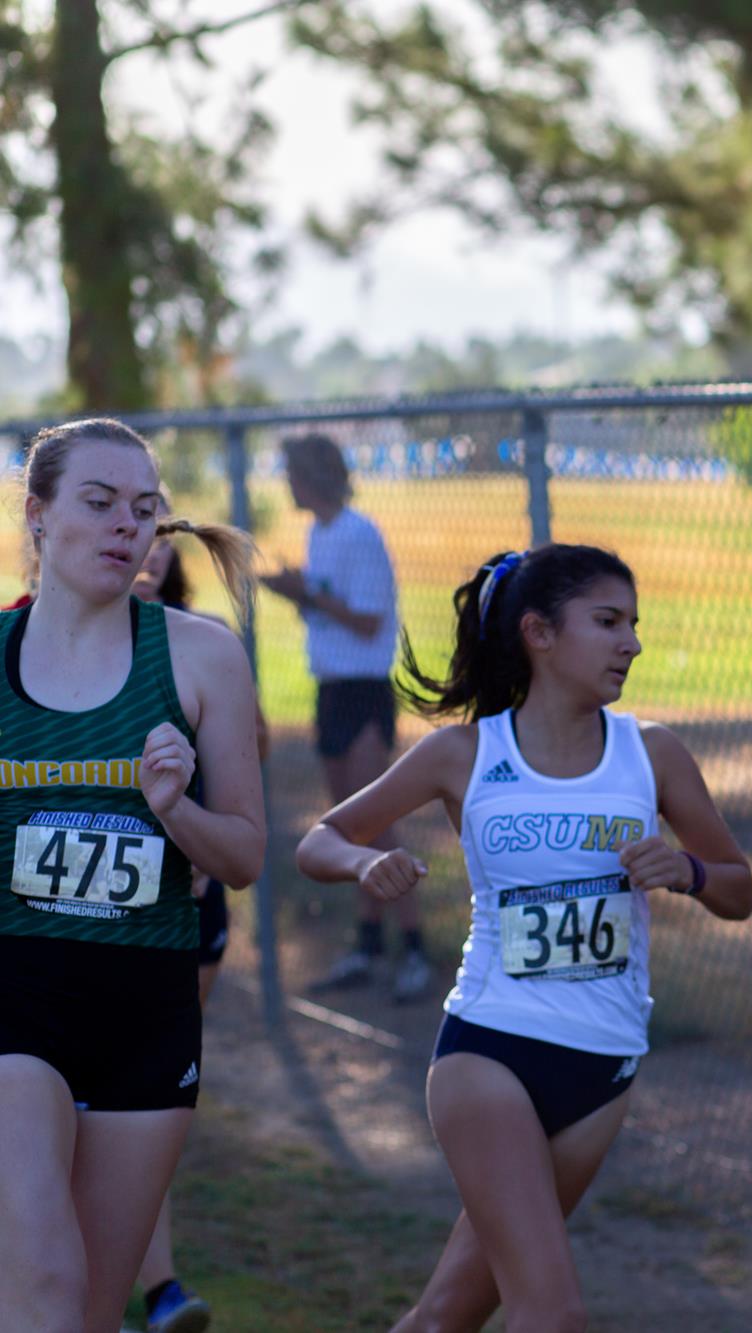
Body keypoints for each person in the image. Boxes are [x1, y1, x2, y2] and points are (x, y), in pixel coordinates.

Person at [296, 543, 752, 1331]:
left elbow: (740, 888)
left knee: (447, 1314)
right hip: (490, 1048)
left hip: (604, 1064)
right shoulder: (467, 752)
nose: (632, 643)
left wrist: (686, 868)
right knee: (553, 1311)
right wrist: (365, 863)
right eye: (608, 622)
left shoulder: (654, 753)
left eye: (634, 624)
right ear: (539, 632)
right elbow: (320, 839)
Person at [0, 418, 264, 1332]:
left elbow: (244, 854)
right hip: (13, 991)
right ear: (37, 516)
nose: (128, 527)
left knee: (93, 1313)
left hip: (147, 1005)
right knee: (39, 1281)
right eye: (100, 503)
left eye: (145, 510)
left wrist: (175, 812)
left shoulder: (200, 657)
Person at [130, 533, 272, 1333]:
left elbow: (253, 749)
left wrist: (199, 833)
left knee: (140, 1095)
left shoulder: (202, 648)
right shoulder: (25, 642)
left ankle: (158, 1290)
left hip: (188, 906)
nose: (136, 543)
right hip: (52, 934)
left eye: (151, 528)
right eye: (109, 512)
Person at [260, 432, 431, 1002]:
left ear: (312, 477)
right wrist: (295, 592)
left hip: (363, 689)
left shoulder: (359, 532)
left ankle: (414, 950)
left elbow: (367, 622)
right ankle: (368, 945)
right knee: (347, 824)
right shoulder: (319, 531)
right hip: (330, 687)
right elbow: (328, 612)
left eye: (292, 473)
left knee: (376, 823)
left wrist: (304, 590)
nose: (287, 484)